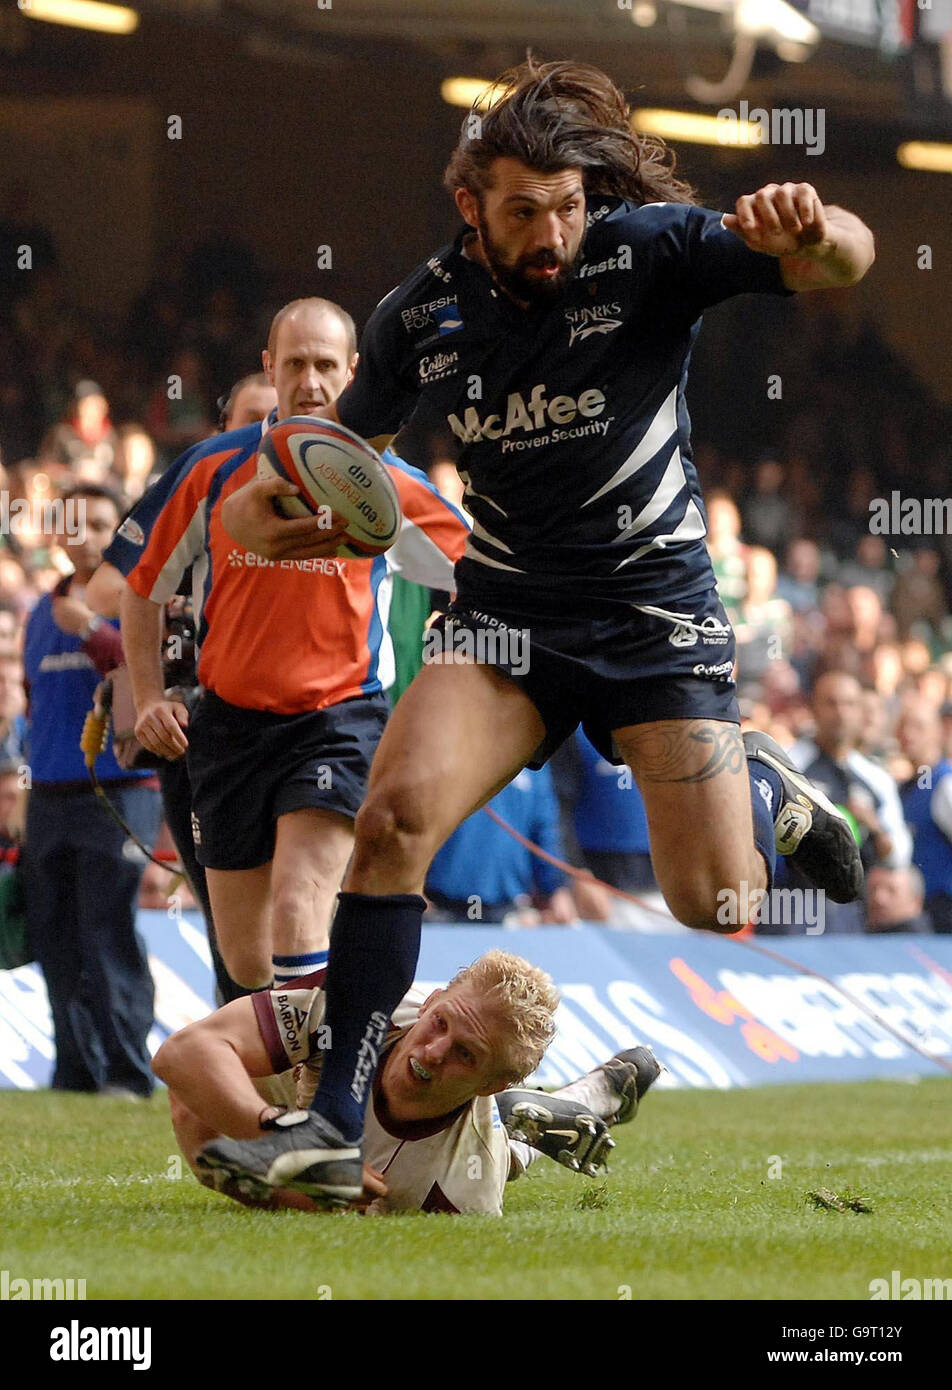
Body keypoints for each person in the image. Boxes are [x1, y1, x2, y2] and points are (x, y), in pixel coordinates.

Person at [213, 57, 872, 1200]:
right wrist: (266, 518)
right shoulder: (418, 315)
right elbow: (339, 474)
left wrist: (814, 227)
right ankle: (324, 1127)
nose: (554, 232)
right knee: (389, 826)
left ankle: (764, 787)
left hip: (654, 612)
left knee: (715, 903)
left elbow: (841, 258)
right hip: (510, 618)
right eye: (524, 211)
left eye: (568, 204)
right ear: (469, 204)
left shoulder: (650, 249)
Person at [107, 297, 468, 993]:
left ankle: (324, 1097)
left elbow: (480, 568)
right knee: (246, 962)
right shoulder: (212, 468)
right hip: (230, 728)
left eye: (326, 365)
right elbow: (142, 584)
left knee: (301, 909)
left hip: (338, 722)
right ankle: (361, 1049)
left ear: (355, 372)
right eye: (295, 363)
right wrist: (148, 696)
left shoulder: (384, 480)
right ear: (269, 368)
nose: (310, 381)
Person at [160, 948, 661, 1214]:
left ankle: (578, 1099)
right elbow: (182, 1058)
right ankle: (570, 1098)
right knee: (205, 1106)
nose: (434, 1050)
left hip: (471, 1141)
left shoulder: (466, 1191)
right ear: (432, 999)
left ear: (490, 1082)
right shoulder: (358, 1004)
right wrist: (285, 1142)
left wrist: (280, 1185)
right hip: (303, 1104)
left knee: (503, 1154)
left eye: (466, 1053)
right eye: (439, 1022)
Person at [23, 484, 162, 1096]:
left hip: (119, 790)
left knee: (108, 934)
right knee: (55, 938)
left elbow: (145, 675)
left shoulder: (139, 600)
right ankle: (74, 1073)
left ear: (122, 533)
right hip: (48, 795)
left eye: (102, 525)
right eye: (75, 524)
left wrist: (91, 631)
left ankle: (128, 1074)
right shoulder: (35, 613)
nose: (87, 536)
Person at [425, 766, 575, 923]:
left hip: (507, 907)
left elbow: (545, 828)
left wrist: (556, 889)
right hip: (442, 906)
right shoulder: (449, 753)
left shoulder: (535, 764)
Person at [896, 694, 952, 933]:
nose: (908, 734)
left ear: (939, 732)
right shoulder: (906, 787)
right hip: (919, 917)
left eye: (918, 726)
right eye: (903, 725)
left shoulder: (945, 784)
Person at [865, 864, 933, 934]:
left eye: (891, 891)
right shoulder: (857, 935)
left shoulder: (927, 942)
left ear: (916, 900)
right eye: (872, 890)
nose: (878, 899)